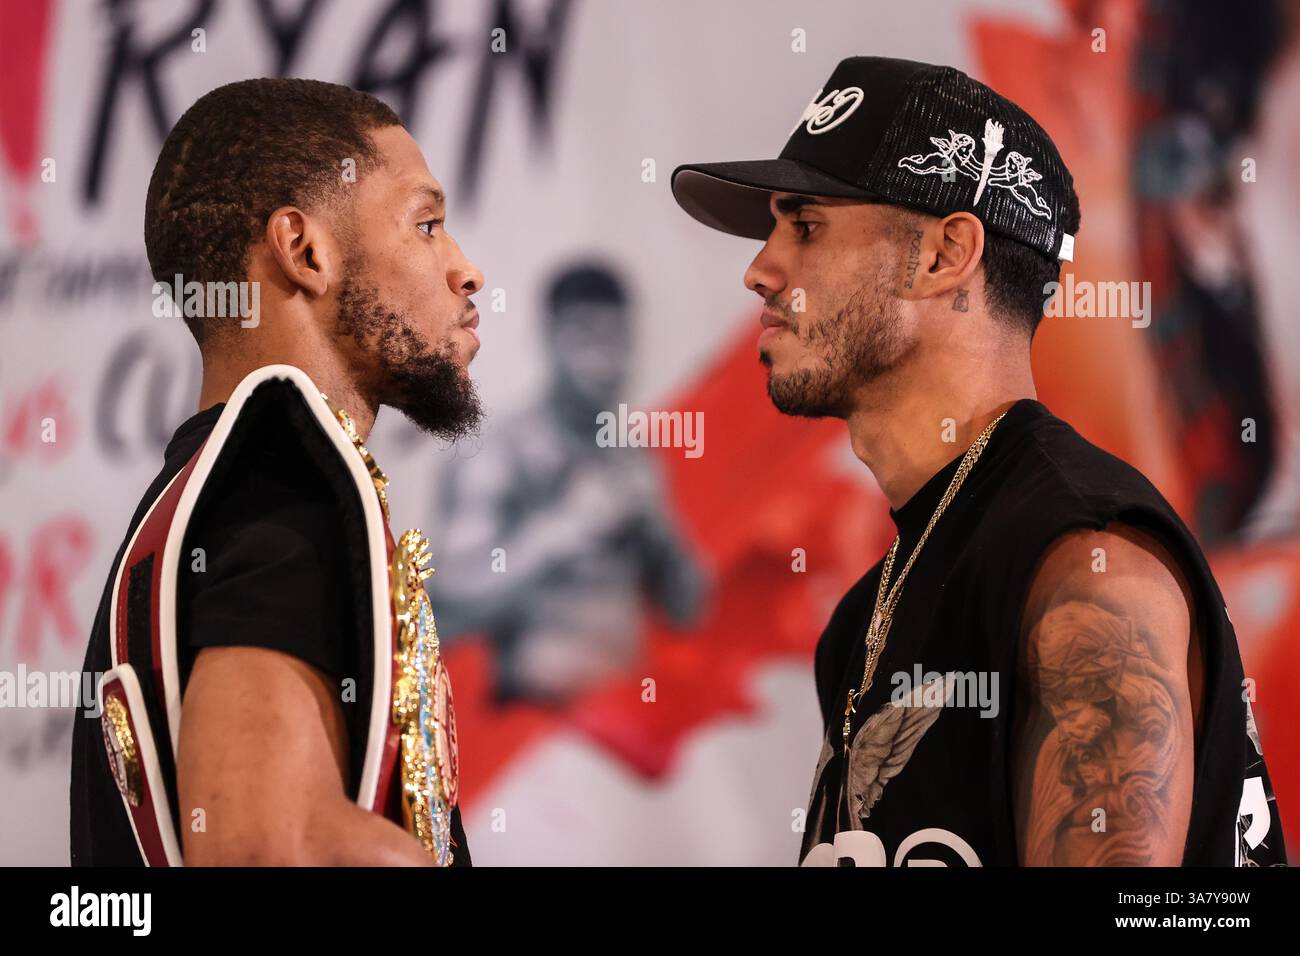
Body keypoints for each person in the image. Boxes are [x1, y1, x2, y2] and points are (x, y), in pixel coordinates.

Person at [671, 56, 1286, 866]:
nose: (760, 270)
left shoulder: (1088, 560)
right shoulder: (870, 609)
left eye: (806, 226)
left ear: (943, 255)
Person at [71, 78, 485, 866]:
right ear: (305, 251)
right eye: (426, 224)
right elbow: (264, 850)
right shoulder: (286, 479)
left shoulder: (203, 494)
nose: (467, 271)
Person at [426, 263, 705, 705]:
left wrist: (660, 538)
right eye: (587, 336)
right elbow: (447, 605)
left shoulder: (633, 459)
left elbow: (687, 611)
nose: (605, 357)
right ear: (551, 337)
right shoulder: (499, 455)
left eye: (618, 338)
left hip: (621, 719)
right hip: (526, 725)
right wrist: (563, 529)